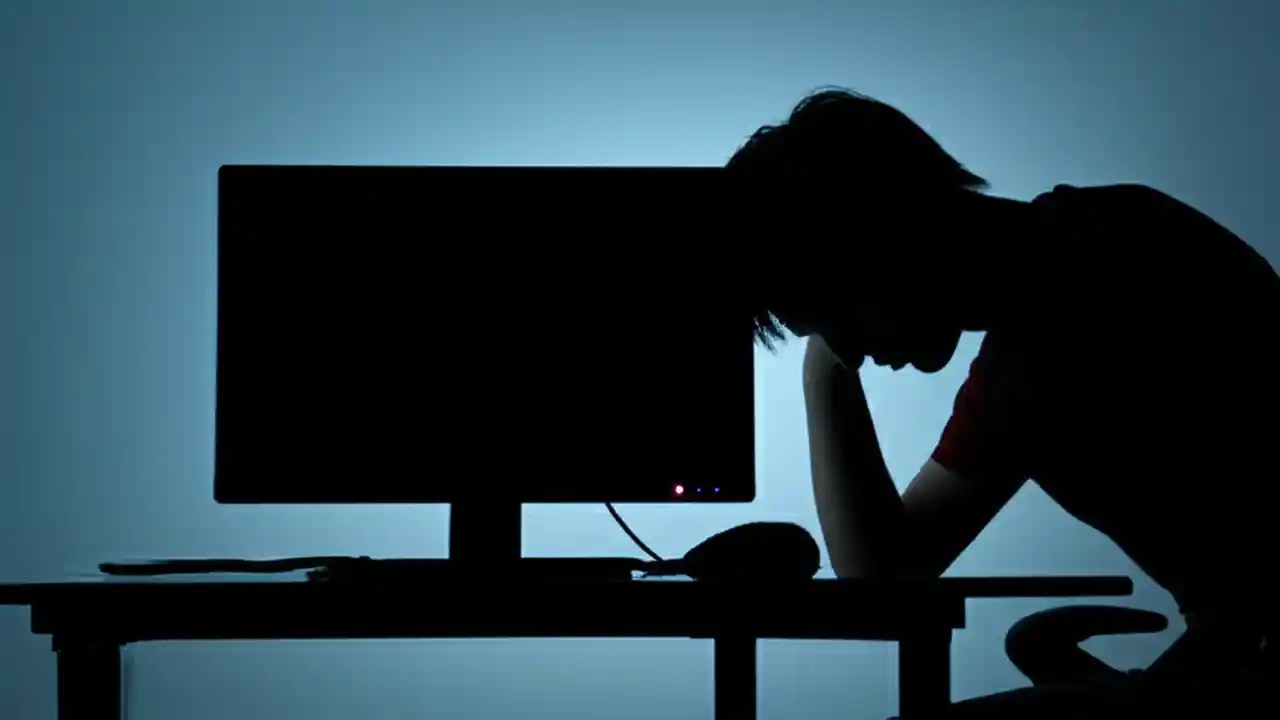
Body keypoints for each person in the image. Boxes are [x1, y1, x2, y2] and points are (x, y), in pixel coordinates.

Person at [726, 86, 1278, 717]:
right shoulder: (1025, 349)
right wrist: (825, 367)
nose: (850, 348)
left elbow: (1249, 597)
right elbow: (883, 569)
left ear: (882, 243)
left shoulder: (1107, 274)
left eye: (834, 316)